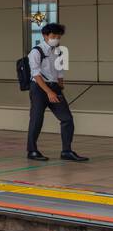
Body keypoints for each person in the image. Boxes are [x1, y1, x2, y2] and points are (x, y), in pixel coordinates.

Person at [26, 23, 87, 162]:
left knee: (67, 119)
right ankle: (32, 150)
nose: (56, 39)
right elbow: (36, 75)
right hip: (39, 88)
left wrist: (60, 86)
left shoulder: (60, 50)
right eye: (53, 36)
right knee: (36, 119)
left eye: (59, 37)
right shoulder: (36, 51)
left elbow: (60, 71)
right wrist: (48, 92)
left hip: (54, 88)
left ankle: (66, 151)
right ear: (45, 35)